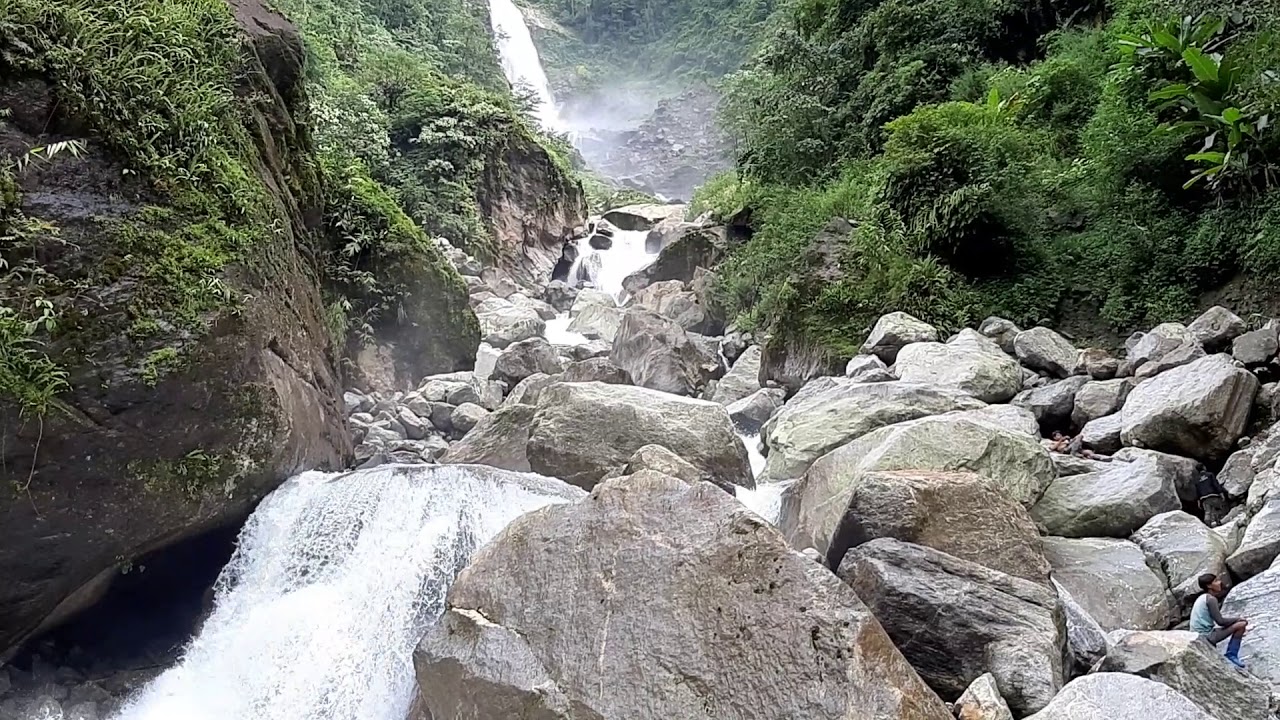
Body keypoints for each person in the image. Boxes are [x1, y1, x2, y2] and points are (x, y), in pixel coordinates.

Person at [1190, 573, 1248, 669]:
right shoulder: (1211, 599)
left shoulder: (1202, 598)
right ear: (1209, 586)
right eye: (1216, 581)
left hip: (1197, 634)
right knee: (1241, 625)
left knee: (1237, 623)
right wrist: (1238, 619)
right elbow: (1220, 621)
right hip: (1206, 636)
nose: (1219, 582)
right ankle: (1231, 654)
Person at [1048, 431, 1112, 461]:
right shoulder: (1053, 442)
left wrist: (1071, 440)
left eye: (1060, 435)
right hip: (1066, 450)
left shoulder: (1065, 440)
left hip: (1075, 448)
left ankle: (1101, 458)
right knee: (1079, 438)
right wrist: (1061, 440)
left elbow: (1072, 443)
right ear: (1054, 438)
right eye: (1058, 435)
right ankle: (1074, 453)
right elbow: (1052, 448)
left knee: (1088, 451)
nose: (1060, 436)